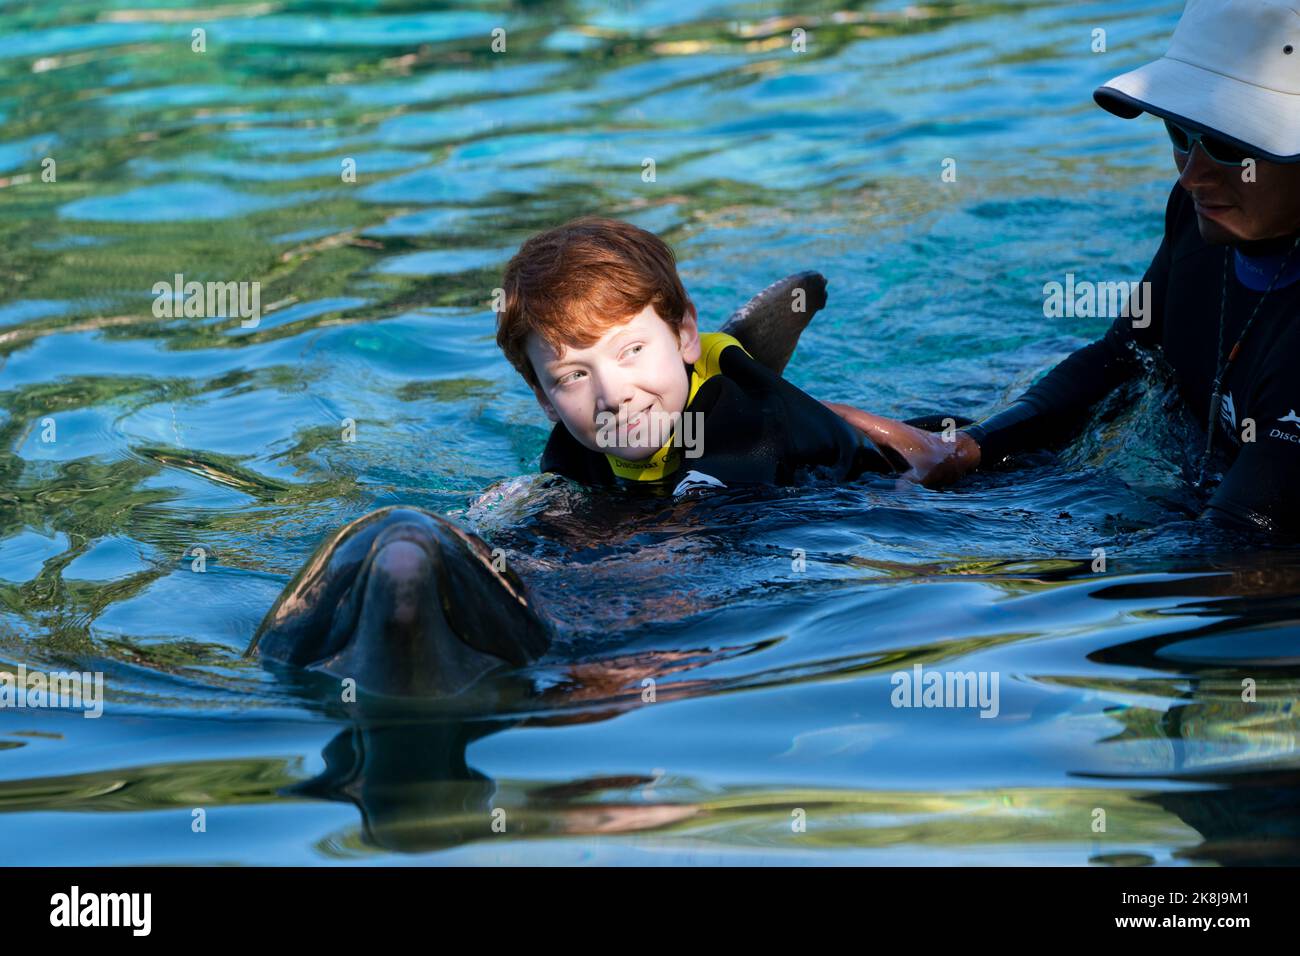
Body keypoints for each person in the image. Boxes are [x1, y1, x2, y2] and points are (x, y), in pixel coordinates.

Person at [826, 0, 1300, 533]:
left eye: (1226, 145)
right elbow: (1123, 355)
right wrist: (963, 448)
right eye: (1180, 134)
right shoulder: (1202, 219)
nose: (1193, 175)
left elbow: (1240, 557)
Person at [495, 217, 897, 497]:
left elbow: (704, 535)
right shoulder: (577, 440)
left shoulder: (733, 430)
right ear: (545, 398)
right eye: (573, 376)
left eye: (632, 350)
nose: (613, 395)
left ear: (685, 335)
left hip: (883, 488)